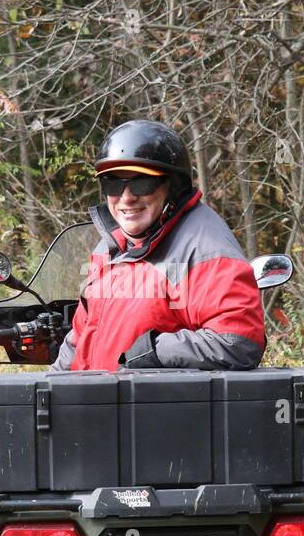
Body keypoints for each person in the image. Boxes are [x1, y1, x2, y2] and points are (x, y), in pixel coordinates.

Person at [50, 119, 266, 372]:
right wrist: (51, 387)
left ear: (172, 186)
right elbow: (80, 337)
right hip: (99, 404)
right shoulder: (112, 246)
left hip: (151, 407)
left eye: (142, 182)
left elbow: (237, 342)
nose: (127, 198)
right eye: (113, 183)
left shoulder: (203, 248)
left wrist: (154, 350)